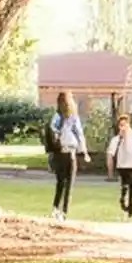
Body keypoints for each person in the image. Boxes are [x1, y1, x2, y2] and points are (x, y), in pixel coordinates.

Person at [48, 92, 90, 222]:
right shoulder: (73, 117)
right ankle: (64, 212)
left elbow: (52, 129)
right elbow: (79, 134)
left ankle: (55, 208)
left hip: (59, 153)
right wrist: (84, 152)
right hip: (70, 153)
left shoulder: (57, 116)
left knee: (60, 183)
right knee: (69, 184)